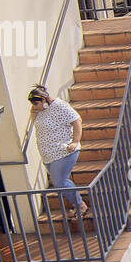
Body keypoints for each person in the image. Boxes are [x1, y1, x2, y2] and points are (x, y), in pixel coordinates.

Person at [28, 86, 88, 218]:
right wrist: (34, 114)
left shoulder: (59, 106)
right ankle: (77, 204)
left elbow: (77, 121)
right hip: (48, 155)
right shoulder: (39, 110)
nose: (34, 106)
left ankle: (80, 205)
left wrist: (75, 141)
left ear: (43, 99)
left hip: (63, 151)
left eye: (36, 103)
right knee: (59, 182)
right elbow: (38, 128)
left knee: (60, 181)